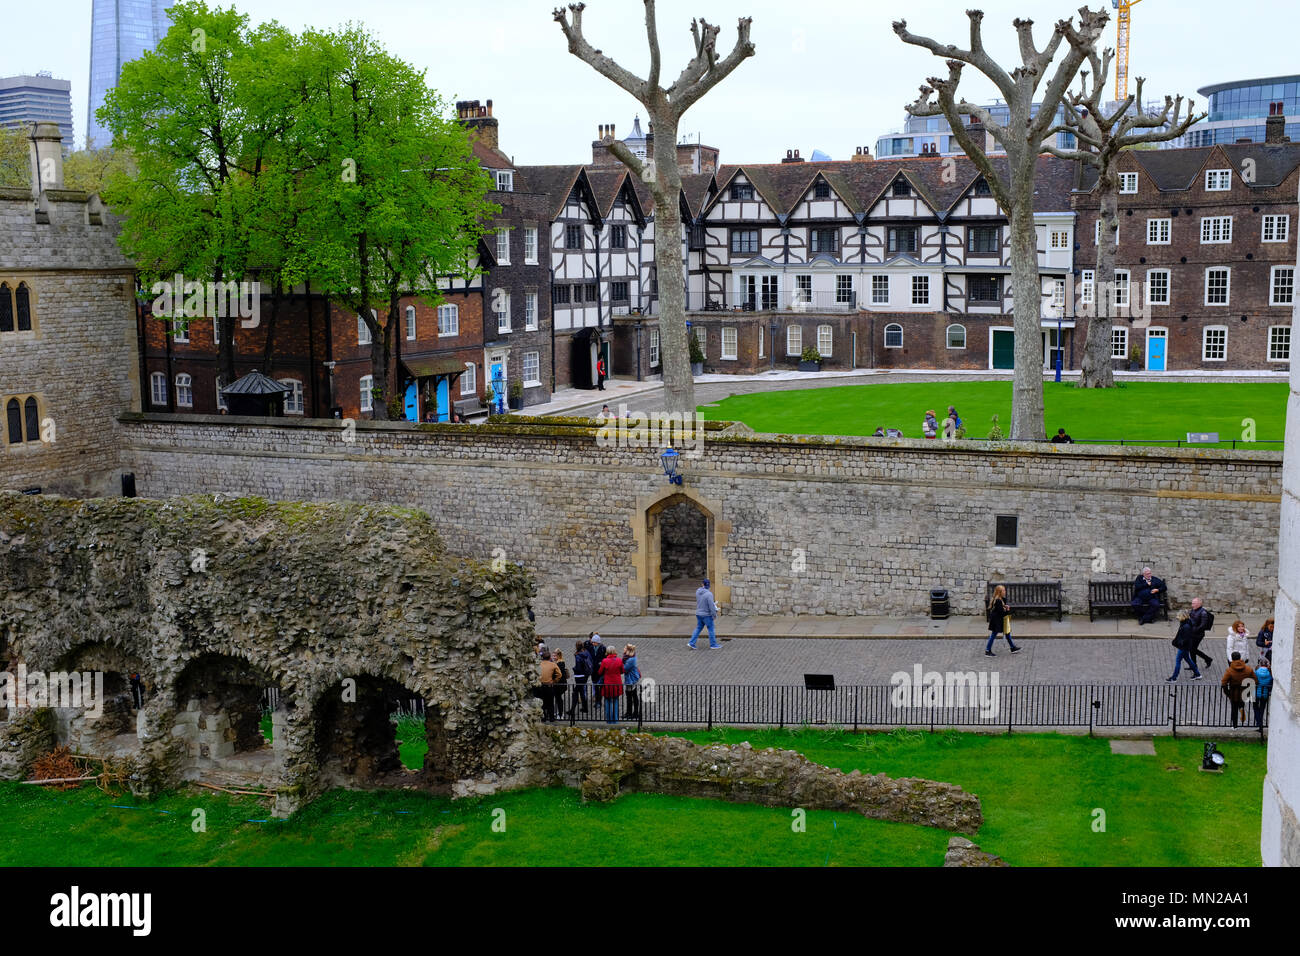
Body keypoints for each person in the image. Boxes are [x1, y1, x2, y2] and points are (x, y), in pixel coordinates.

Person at [1166, 610, 1203, 682]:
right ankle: (1197, 674)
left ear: (1183, 616)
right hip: (1185, 647)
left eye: (1178, 616)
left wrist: (1180, 643)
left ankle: (1174, 678)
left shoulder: (1186, 626)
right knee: (1188, 660)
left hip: (1184, 647)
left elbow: (1186, 638)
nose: (1177, 617)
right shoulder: (1184, 623)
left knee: (1178, 661)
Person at [1220, 652, 1255, 729]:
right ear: (1240, 658)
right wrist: (1249, 690)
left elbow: (1223, 683)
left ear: (1232, 659)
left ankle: (1234, 725)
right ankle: (1241, 707)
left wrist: (1227, 693)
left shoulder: (1229, 671)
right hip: (1245, 691)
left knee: (1234, 708)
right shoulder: (1248, 669)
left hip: (1233, 692)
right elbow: (1255, 680)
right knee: (1241, 702)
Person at [985, 585, 1021, 656]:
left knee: (1007, 633)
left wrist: (1005, 606)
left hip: (999, 619)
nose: (1005, 592)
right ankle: (987, 650)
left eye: (1004, 590)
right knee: (993, 634)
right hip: (997, 621)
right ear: (999, 592)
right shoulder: (998, 600)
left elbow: (1002, 609)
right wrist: (1007, 610)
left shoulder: (1001, 599)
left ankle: (1012, 647)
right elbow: (1002, 613)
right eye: (1003, 590)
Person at [688, 578, 722, 650]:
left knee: (698, 628)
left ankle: (691, 643)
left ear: (702, 584)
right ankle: (713, 644)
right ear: (709, 585)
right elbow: (711, 606)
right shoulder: (709, 594)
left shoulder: (697, 591)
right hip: (706, 615)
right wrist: (714, 614)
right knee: (711, 629)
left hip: (699, 613)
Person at [596, 647, 624, 724]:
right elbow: (622, 671)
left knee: (607, 701)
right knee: (615, 700)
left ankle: (609, 720)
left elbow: (600, 672)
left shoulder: (604, 661)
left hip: (607, 684)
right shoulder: (619, 660)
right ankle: (615, 720)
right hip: (617, 683)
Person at [1187, 598, 1213, 668]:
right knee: (1192, 649)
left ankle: (1206, 659)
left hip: (1198, 635)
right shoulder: (1193, 610)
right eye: (1192, 603)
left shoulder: (1203, 613)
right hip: (1192, 632)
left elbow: (1202, 626)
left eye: (1193, 603)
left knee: (1192, 649)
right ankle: (1196, 664)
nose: (1192, 605)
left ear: (1199, 604)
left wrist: (1194, 630)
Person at [538, 651, 562, 722]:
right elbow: (559, 674)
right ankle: (551, 717)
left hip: (540, 685)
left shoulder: (539, 664)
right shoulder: (553, 664)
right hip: (549, 685)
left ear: (542, 657)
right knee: (550, 702)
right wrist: (554, 681)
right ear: (549, 657)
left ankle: (543, 717)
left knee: (542, 702)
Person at [571, 640, 593, 716]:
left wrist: (574, 669)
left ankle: (572, 710)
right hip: (586, 675)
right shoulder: (586, 652)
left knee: (575, 692)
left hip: (579, 676)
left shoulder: (578, 656)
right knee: (581, 692)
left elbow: (578, 668)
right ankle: (585, 708)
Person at [622, 644, 641, 721]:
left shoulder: (630, 660)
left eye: (625, 648)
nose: (623, 649)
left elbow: (624, 669)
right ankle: (630, 712)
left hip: (631, 680)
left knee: (631, 696)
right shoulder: (628, 657)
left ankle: (633, 713)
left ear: (628, 650)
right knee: (631, 696)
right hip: (630, 679)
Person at [1253, 659, 1273, 728]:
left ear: (1260, 664)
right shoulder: (1269, 673)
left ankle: (1258, 722)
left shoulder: (1256, 672)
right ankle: (1260, 722)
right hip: (1265, 693)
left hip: (1256, 693)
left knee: (1255, 707)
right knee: (1262, 708)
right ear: (1267, 665)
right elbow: (1270, 682)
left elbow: (1254, 680)